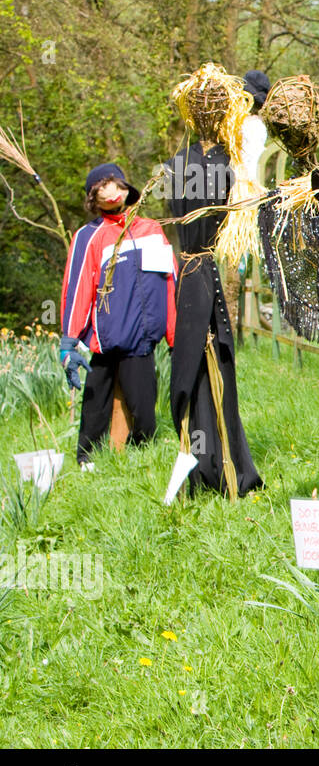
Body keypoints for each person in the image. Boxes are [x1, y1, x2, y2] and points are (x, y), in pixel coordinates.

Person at [166, 64, 264, 498]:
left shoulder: (203, 163)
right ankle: (212, 467)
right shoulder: (213, 165)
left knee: (202, 363)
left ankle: (214, 467)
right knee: (201, 363)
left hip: (194, 272)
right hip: (197, 272)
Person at [60, 163, 176, 469]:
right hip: (105, 339)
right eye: (101, 188)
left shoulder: (150, 230)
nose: (110, 191)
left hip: (140, 341)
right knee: (95, 405)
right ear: (93, 199)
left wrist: (175, 336)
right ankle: (87, 462)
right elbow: (78, 288)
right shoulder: (89, 236)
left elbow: (169, 283)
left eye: (114, 184)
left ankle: (142, 462)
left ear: (125, 188)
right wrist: (69, 341)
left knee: (144, 409)